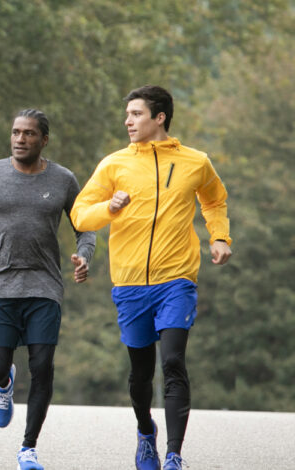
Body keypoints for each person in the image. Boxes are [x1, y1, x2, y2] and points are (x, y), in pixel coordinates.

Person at [70, 85, 232, 470]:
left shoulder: (196, 162)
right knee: (140, 372)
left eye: (137, 114)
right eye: (127, 114)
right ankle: (146, 433)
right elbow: (80, 214)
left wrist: (220, 236)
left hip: (177, 278)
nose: (128, 121)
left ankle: (174, 455)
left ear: (160, 118)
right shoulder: (114, 165)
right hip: (129, 284)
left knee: (173, 361)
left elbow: (214, 199)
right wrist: (108, 208)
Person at [0, 109, 96, 470]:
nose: (20, 139)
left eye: (29, 134)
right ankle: (3, 385)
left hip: (44, 285)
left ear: (44, 140)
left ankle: (28, 448)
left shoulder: (64, 179)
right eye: (16, 132)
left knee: (43, 365)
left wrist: (84, 256)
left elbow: (86, 226)